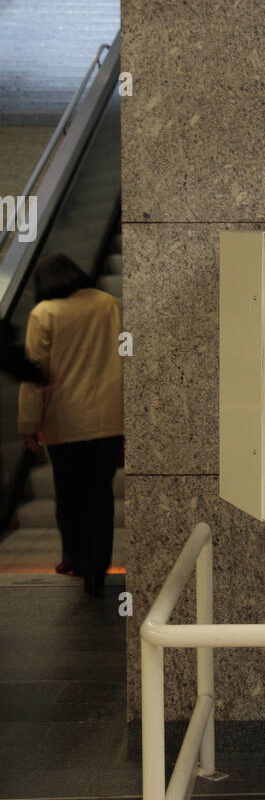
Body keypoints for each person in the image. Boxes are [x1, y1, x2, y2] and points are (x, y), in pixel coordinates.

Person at [18, 253, 123, 597]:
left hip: (65, 422)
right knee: (100, 493)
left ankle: (74, 558)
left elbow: (33, 373)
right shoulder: (109, 304)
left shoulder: (44, 313)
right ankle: (98, 570)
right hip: (108, 420)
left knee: (69, 492)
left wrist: (29, 423)